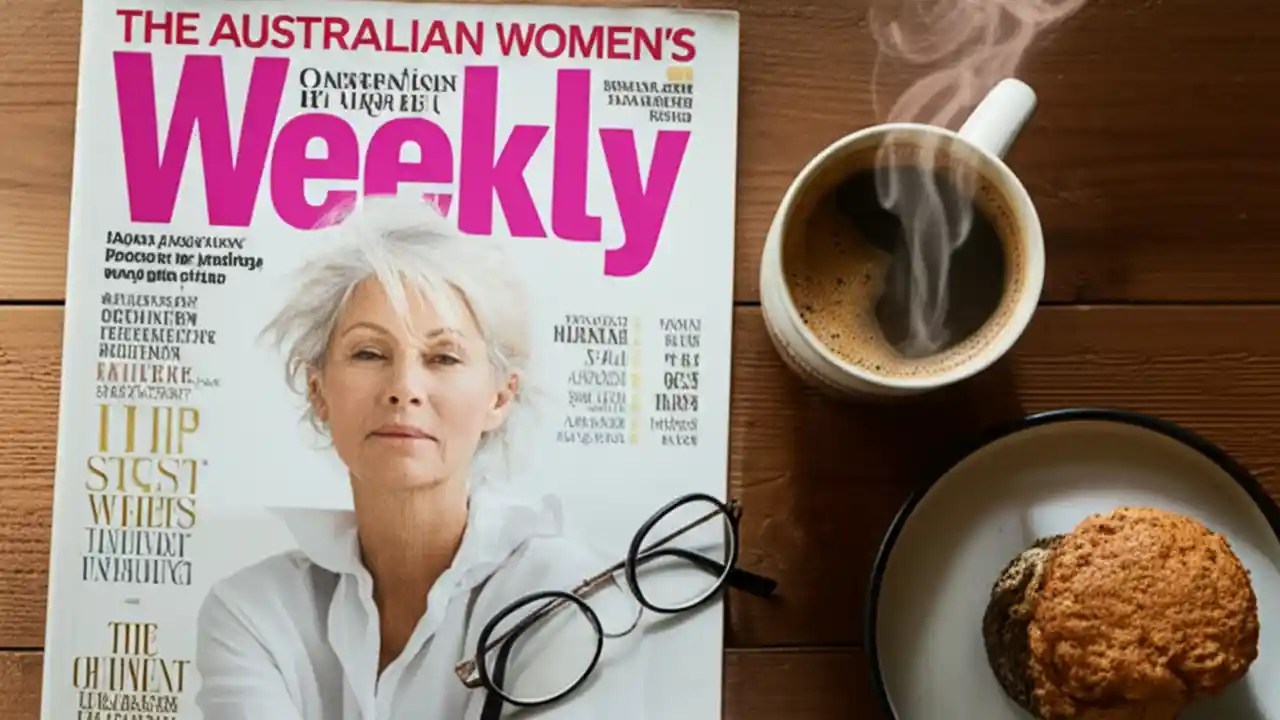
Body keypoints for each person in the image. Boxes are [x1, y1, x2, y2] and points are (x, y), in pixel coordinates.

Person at [193, 196, 645, 719]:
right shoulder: (253, 613)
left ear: (500, 397)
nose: (404, 388)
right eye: (369, 353)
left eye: (443, 357)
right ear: (318, 391)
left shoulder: (567, 600)